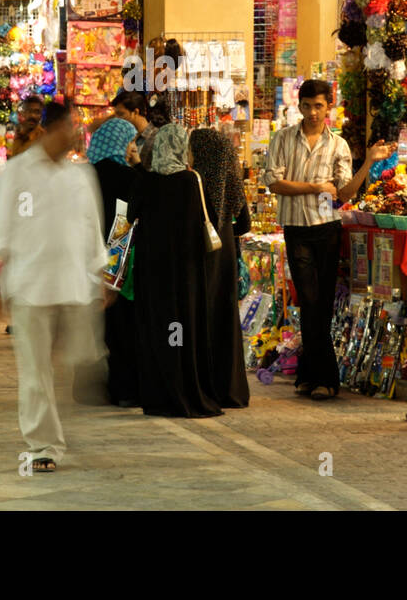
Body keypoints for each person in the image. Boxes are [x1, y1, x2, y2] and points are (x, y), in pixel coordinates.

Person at [0, 100, 108, 472]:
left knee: (80, 359)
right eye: (69, 127)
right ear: (51, 129)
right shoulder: (16, 173)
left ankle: (54, 421)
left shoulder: (79, 176)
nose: (73, 134)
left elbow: (91, 227)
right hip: (30, 286)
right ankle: (44, 446)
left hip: (72, 285)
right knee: (36, 371)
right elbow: (0, 227)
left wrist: (101, 274)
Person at [264, 79, 390, 400]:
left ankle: (313, 375)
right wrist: (315, 187)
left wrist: (369, 162)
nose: (311, 112)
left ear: (328, 106)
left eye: (318, 106)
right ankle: (324, 376)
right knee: (308, 300)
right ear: (299, 105)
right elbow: (274, 183)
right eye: (306, 105)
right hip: (295, 228)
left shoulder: (339, 146)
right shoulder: (282, 139)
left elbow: (345, 193)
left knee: (320, 303)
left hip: (327, 229)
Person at [128, 124, 223, 418]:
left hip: (153, 272)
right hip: (185, 274)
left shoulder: (146, 181)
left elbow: (130, 217)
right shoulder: (190, 181)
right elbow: (210, 223)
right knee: (181, 328)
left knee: (159, 327)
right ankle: (186, 388)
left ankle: (160, 394)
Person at [190, 127, 252, 409]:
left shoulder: (193, 186)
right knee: (225, 317)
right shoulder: (230, 187)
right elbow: (245, 224)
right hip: (225, 250)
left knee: (202, 316)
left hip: (202, 255)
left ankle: (206, 386)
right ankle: (231, 389)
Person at [87, 116, 140, 406]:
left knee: (94, 327)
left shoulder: (86, 174)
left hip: (86, 260)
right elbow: (127, 223)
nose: (133, 148)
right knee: (121, 329)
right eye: (131, 142)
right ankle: (123, 390)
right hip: (118, 262)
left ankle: (89, 390)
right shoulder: (129, 178)